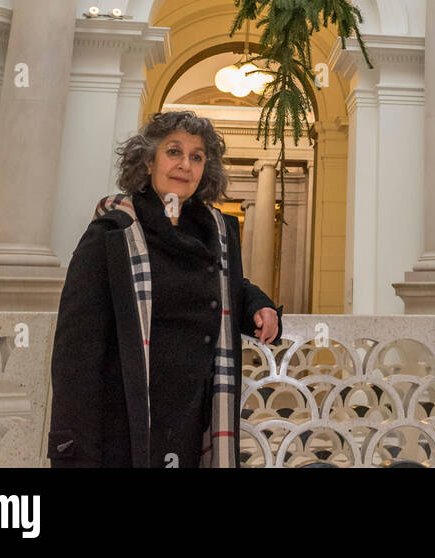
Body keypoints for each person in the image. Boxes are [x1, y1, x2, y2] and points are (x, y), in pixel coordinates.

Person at [47, 110, 282, 468]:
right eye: (174, 151)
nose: (185, 164)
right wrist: (73, 445)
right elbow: (76, 353)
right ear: (148, 160)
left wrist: (257, 305)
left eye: (197, 156)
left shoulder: (212, 233)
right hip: (127, 418)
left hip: (193, 415)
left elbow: (224, 287)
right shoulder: (112, 235)